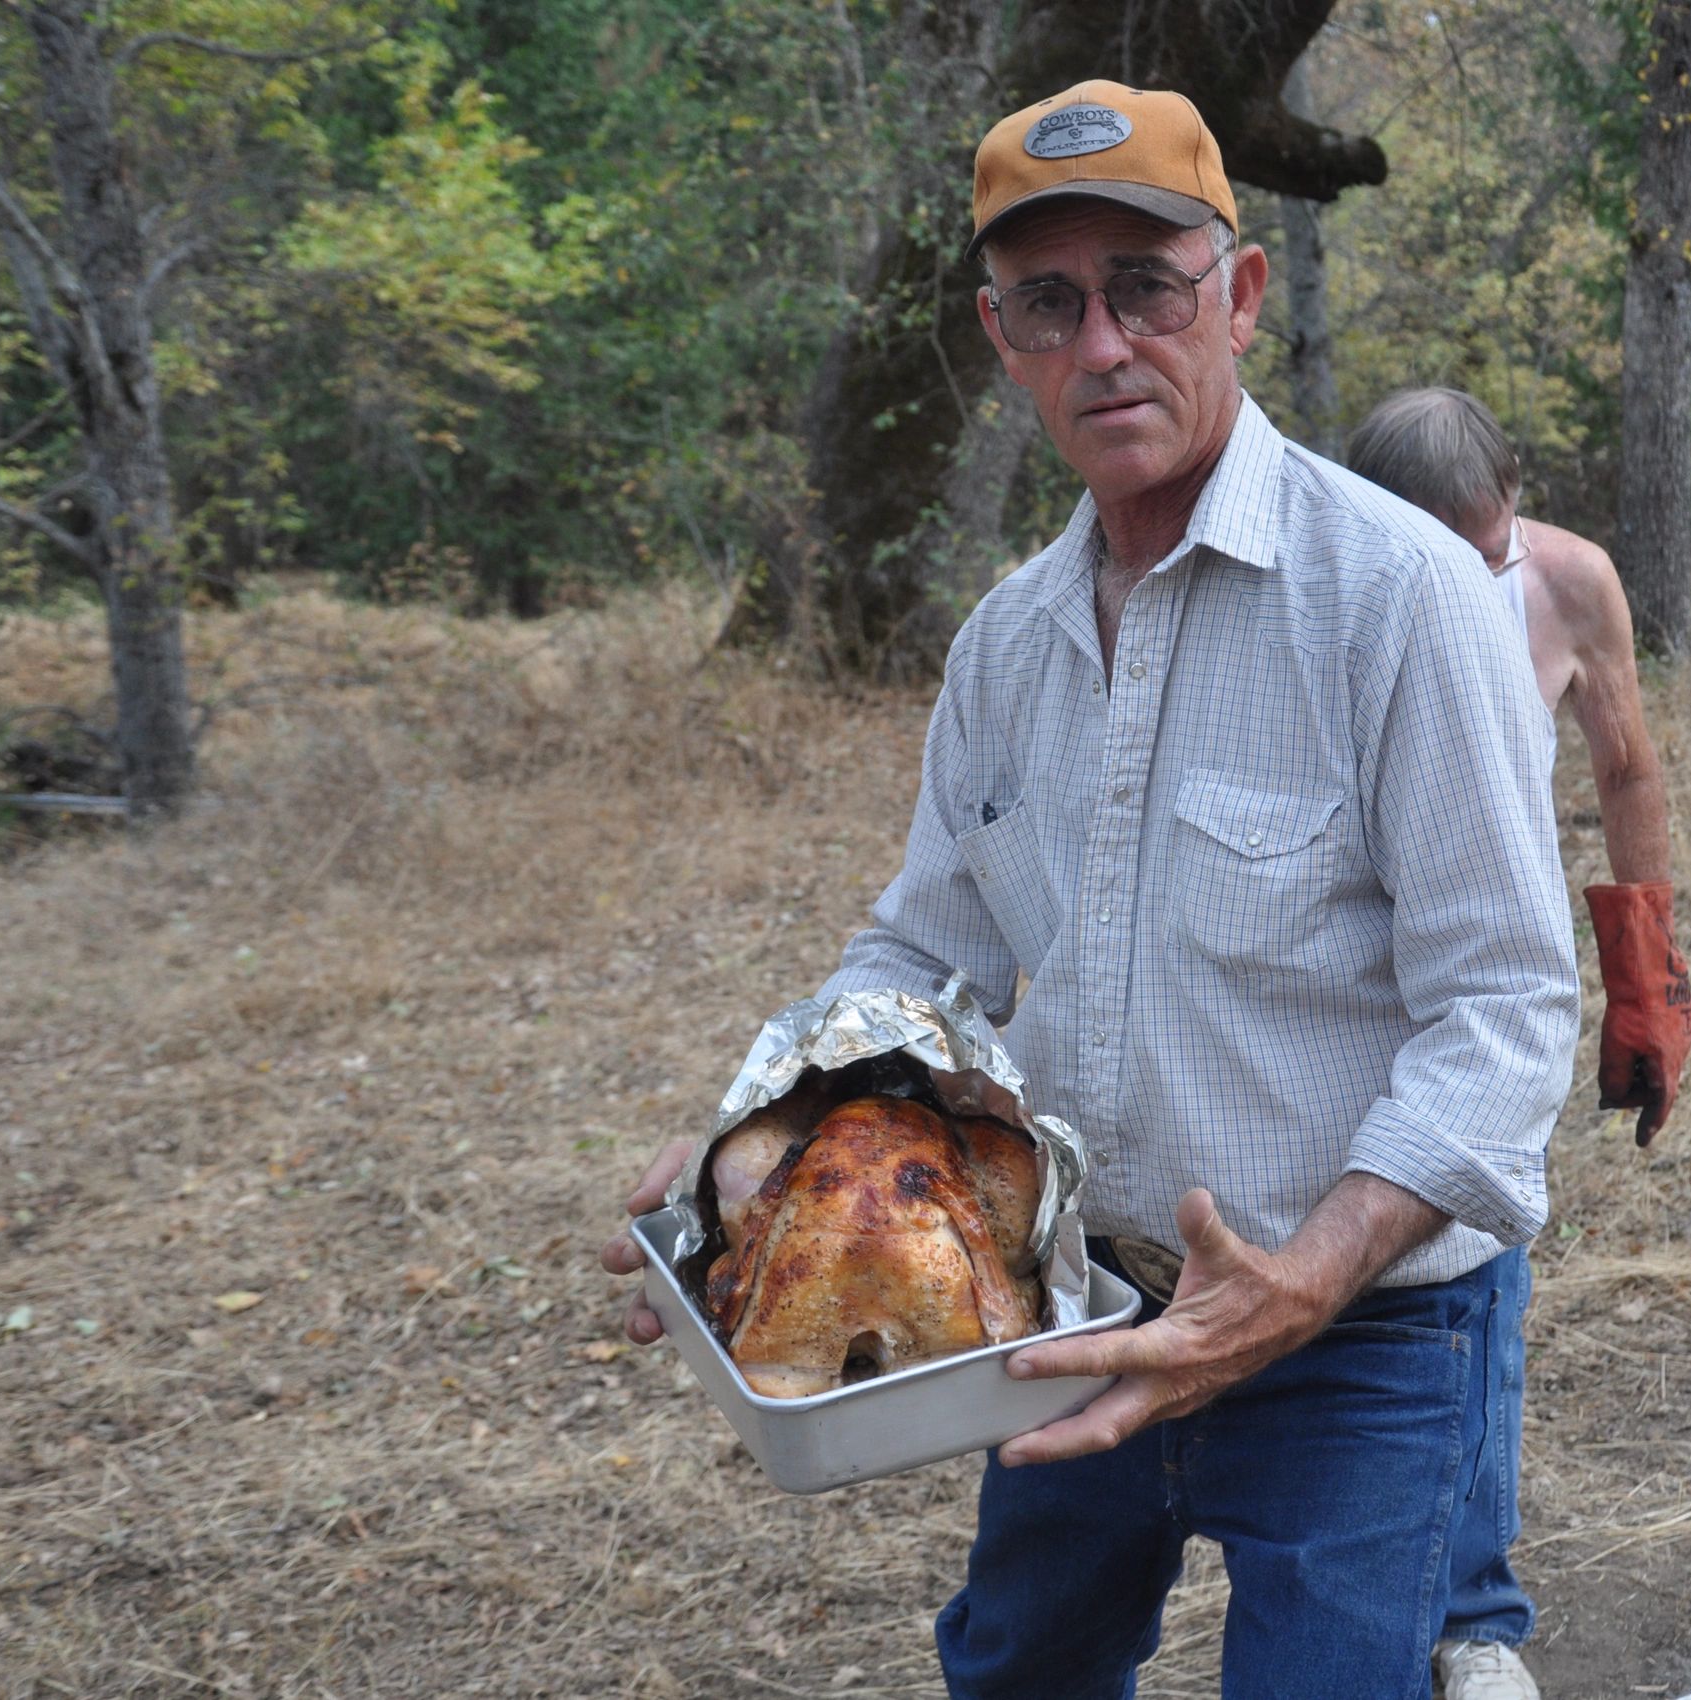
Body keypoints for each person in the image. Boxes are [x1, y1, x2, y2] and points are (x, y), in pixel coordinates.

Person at [600, 81, 1579, 1700]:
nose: (1105, 344)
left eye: (1148, 286)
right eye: (1051, 303)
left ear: (1242, 296)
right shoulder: (1008, 644)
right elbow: (927, 946)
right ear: (1003, 339)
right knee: (1018, 1677)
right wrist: (739, 1147)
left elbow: (1508, 1008)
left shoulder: (1398, 601)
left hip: (1367, 1346)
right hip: (1082, 1309)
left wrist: (1305, 1278)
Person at [1348, 387, 1691, 1700]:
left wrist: (1642, 980)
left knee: (1482, 1256)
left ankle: (1475, 1616)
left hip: (1489, 973)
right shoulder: (1319, 585)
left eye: (1482, 553)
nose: (1466, 579)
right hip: (1347, 970)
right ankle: (1368, 1575)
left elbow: (1624, 769)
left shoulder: (1566, 582)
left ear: (1513, 510)